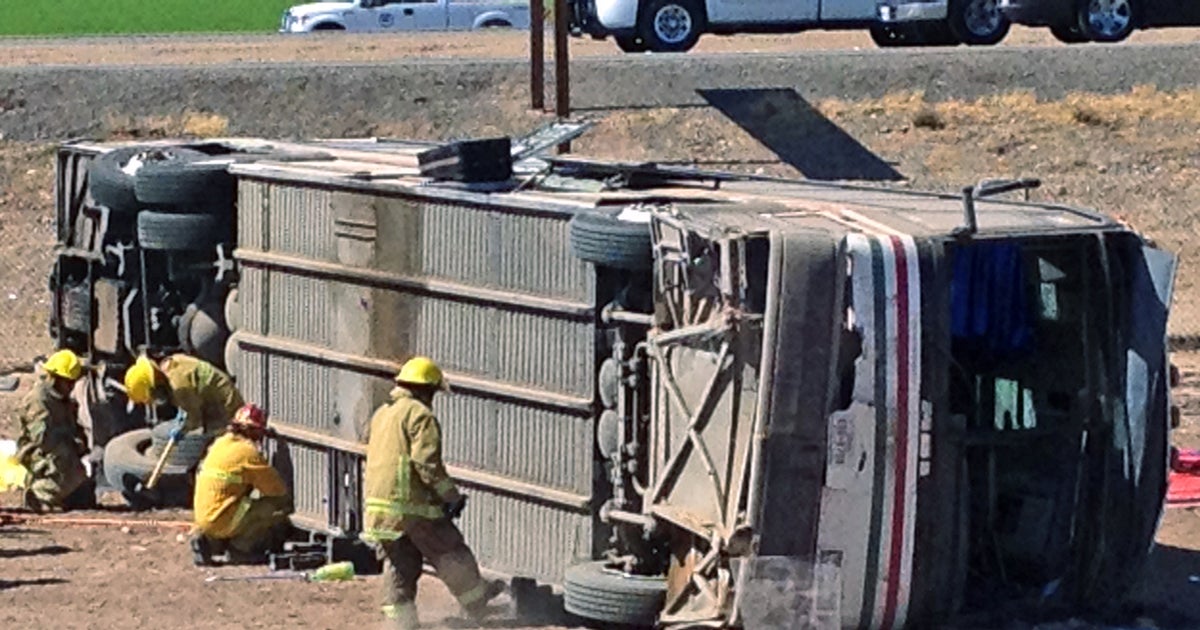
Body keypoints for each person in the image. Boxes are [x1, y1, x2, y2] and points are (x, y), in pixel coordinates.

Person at [362, 356, 504, 629]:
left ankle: (401, 623)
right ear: (426, 389)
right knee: (451, 551)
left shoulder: (383, 413)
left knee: (399, 566)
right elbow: (426, 464)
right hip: (411, 508)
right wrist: (451, 496)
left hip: (379, 510)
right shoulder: (420, 415)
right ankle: (477, 602)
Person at [190, 403, 293, 566]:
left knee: (236, 506)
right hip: (222, 517)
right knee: (276, 506)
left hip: (203, 517)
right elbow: (276, 490)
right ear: (253, 430)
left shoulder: (220, 443)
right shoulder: (247, 453)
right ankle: (241, 549)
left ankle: (209, 542)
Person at [16, 349, 94, 512]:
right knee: (61, 456)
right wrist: (67, 439)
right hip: (40, 452)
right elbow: (42, 439)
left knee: (84, 493)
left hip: (61, 447)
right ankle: (40, 495)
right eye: (68, 382)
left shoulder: (61, 398)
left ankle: (65, 491)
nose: (71, 387)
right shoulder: (38, 401)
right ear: (55, 379)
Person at [123, 353, 244, 440]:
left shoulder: (179, 388)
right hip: (218, 391)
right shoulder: (172, 361)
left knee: (211, 445)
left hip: (226, 405)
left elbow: (195, 419)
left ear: (155, 387)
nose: (155, 401)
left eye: (152, 398)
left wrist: (183, 429)